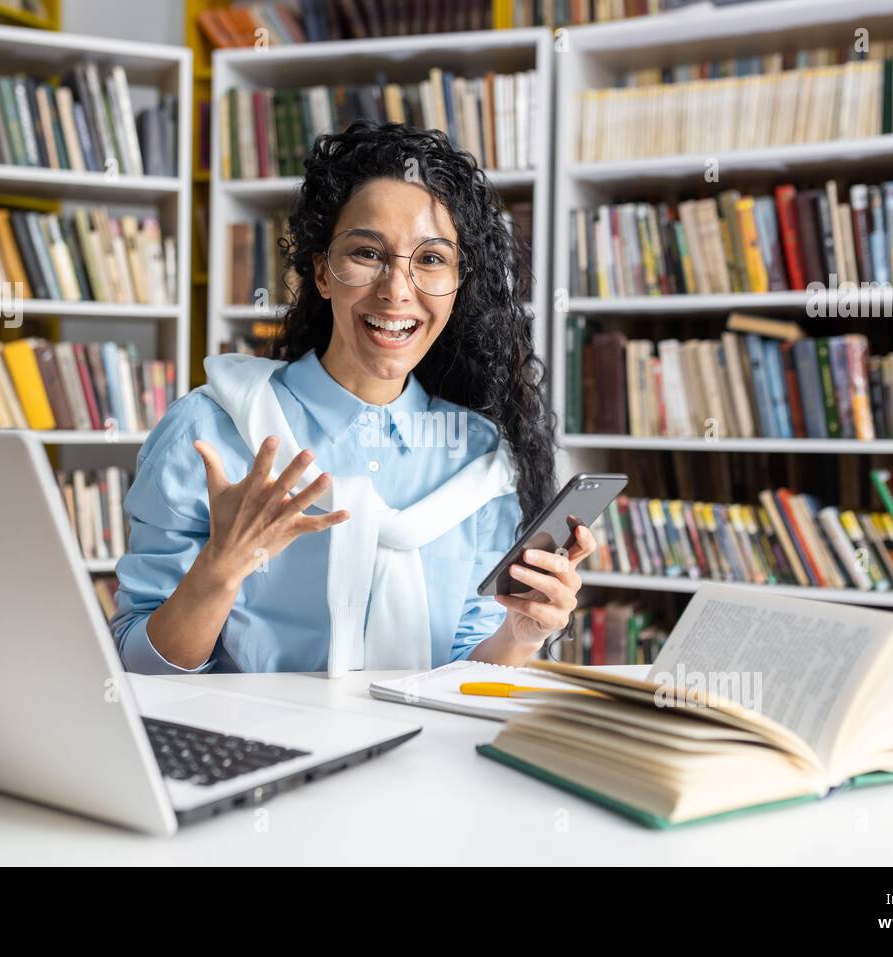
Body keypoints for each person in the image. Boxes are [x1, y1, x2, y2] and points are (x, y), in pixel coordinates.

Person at [111, 120, 594, 674]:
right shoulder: (211, 431)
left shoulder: (477, 457)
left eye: (431, 259)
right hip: (255, 752)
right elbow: (137, 667)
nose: (395, 290)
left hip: (422, 750)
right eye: (368, 253)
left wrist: (521, 634)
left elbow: (465, 666)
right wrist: (220, 568)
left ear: (458, 284)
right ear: (322, 272)